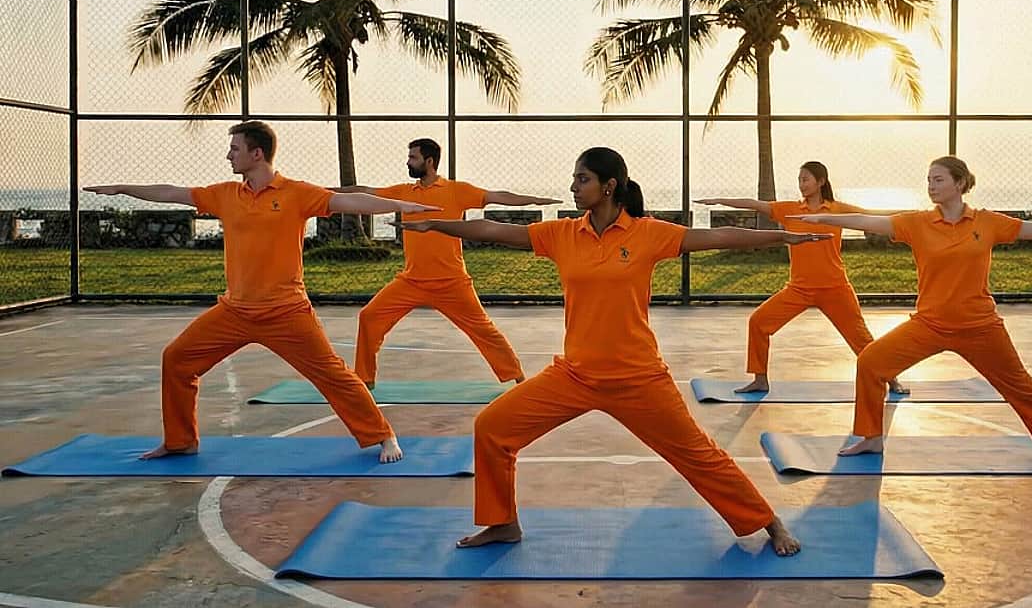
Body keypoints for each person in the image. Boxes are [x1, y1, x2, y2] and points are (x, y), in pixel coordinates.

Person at [404, 147, 831, 555]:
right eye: (574, 178)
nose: (573, 186)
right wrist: (439, 225)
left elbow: (715, 235)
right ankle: (502, 523)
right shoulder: (563, 234)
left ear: (608, 187)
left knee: (700, 456)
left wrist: (784, 237)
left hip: (638, 378)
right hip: (574, 375)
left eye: (582, 178)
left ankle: (769, 522)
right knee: (492, 427)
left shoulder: (647, 234)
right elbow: (496, 230)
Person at [85, 120, 439, 463]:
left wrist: (401, 206)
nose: (228, 156)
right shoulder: (225, 195)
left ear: (257, 154)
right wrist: (122, 188)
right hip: (234, 312)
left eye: (234, 149)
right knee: (176, 359)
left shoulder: (296, 193)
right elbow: (171, 192)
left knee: (334, 375)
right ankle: (180, 442)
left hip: (286, 312)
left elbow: (351, 202)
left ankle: (382, 434)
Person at [794, 155, 1032, 461]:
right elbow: (870, 222)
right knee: (870, 362)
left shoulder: (987, 222)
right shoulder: (918, 223)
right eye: (928, 180)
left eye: (938, 180)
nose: (931, 187)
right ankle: (870, 436)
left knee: (1019, 384)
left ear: (959, 183)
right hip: (930, 324)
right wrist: (824, 216)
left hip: (979, 325)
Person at [336, 139, 556, 388]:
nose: (408, 162)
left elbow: (496, 196)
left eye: (413, 158)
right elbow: (366, 191)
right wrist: (323, 192)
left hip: (452, 282)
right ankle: (365, 379)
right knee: (369, 317)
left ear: (429, 162)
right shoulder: (405, 192)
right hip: (411, 281)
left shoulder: (456, 190)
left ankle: (517, 378)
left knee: (484, 331)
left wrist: (535, 200)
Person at [696, 160, 907, 394]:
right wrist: (719, 200)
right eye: (799, 180)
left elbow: (874, 216)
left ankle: (891, 378)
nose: (801, 184)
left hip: (835, 288)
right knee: (758, 322)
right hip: (798, 289)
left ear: (821, 182)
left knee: (861, 339)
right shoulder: (790, 210)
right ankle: (760, 379)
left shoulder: (837, 210)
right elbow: (755, 204)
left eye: (806, 179)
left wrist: (921, 218)